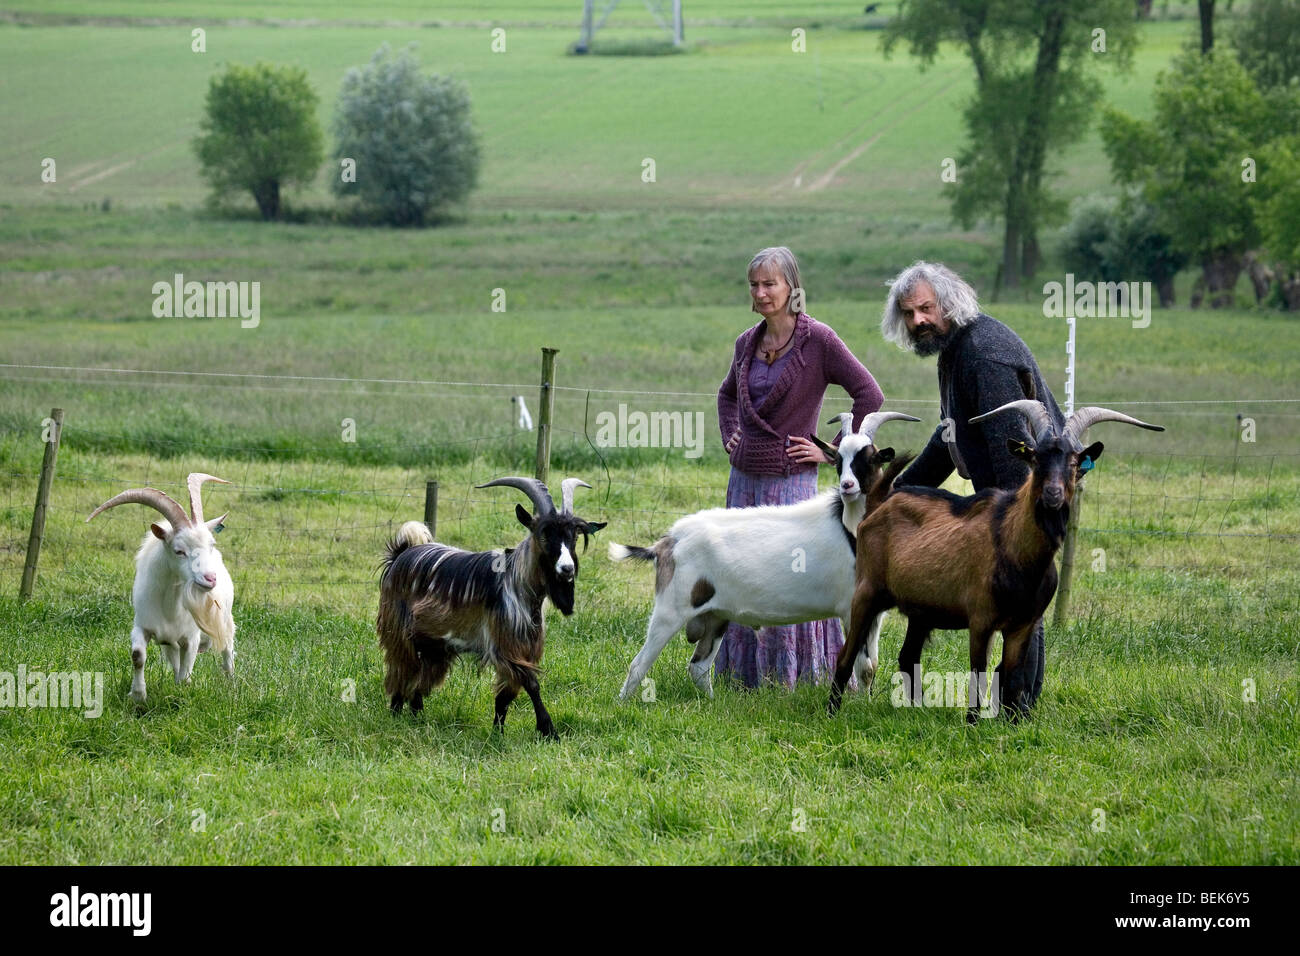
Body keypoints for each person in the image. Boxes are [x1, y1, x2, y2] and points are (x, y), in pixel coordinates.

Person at [881, 260, 1061, 713]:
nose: (918, 320)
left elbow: (1012, 451)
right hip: (1005, 502)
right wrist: (898, 489)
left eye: (926, 308)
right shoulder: (955, 348)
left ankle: (1019, 704)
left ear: (949, 304)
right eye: (908, 313)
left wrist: (1008, 524)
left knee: (1020, 602)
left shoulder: (983, 354)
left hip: (1028, 500)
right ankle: (1014, 702)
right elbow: (951, 437)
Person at [714, 246, 884, 688]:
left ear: (792, 288)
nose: (761, 292)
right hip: (743, 483)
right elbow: (727, 396)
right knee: (743, 570)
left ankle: (798, 672)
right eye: (754, 284)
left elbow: (869, 394)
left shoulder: (819, 341)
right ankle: (745, 675)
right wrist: (730, 433)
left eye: (770, 283)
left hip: (791, 486)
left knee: (791, 575)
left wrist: (832, 451)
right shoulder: (745, 343)